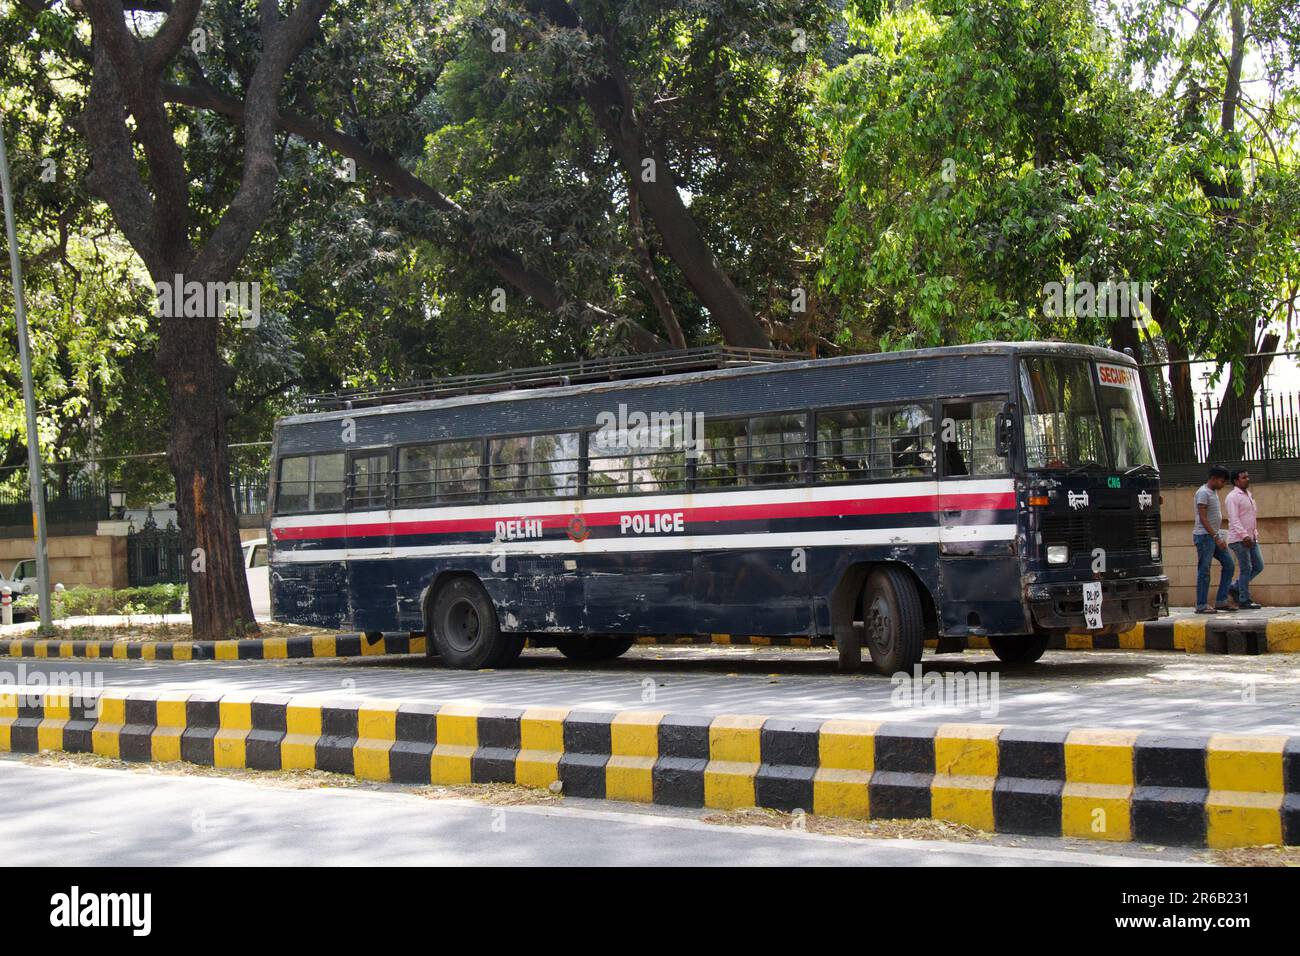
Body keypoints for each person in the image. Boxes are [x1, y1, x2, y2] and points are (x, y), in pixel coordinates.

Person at [1193, 465, 1235, 613]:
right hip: (1205, 536)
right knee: (1204, 570)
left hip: (1213, 536)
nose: (1223, 484)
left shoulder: (1212, 492)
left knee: (1229, 564)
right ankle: (1201, 605)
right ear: (1213, 479)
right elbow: (1203, 518)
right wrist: (1216, 537)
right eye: (1222, 481)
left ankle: (1221, 601)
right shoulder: (1203, 493)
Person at [1225, 468, 1263, 609]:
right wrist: (1244, 536)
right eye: (1243, 477)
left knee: (1258, 566)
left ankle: (1235, 587)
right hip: (1239, 539)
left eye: (1247, 476)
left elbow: (1251, 518)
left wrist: (1253, 535)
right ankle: (1244, 600)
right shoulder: (1233, 497)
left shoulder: (1248, 495)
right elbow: (1234, 519)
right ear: (1236, 481)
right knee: (1246, 568)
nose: (1247, 479)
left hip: (1251, 538)